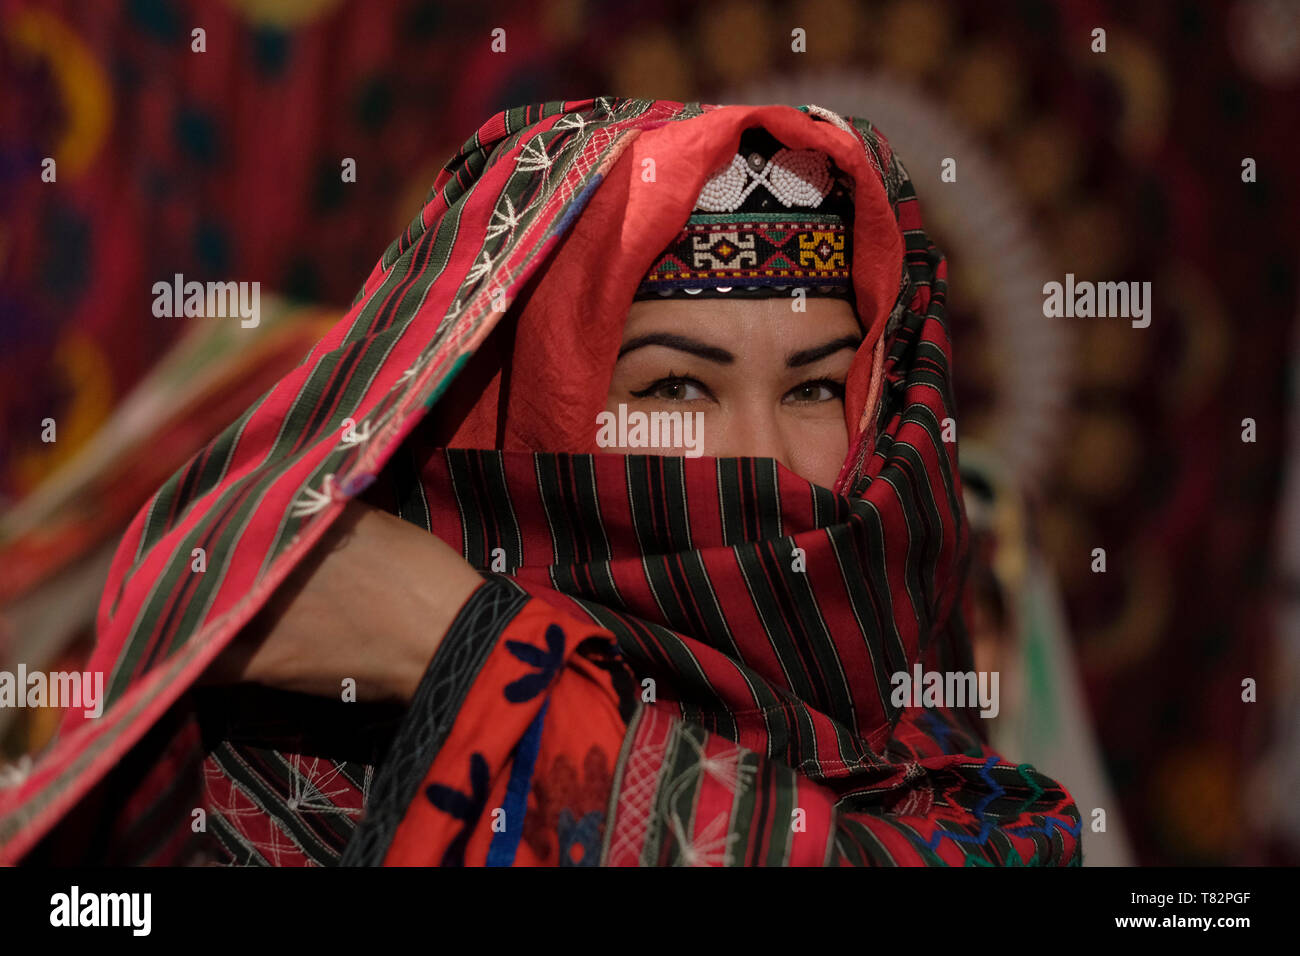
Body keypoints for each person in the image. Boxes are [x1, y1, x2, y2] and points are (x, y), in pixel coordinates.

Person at [0, 97, 1081, 866]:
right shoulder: (273, 785)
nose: (757, 454)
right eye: (676, 386)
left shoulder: (953, 800)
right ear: (525, 418)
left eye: (813, 389)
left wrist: (468, 641)